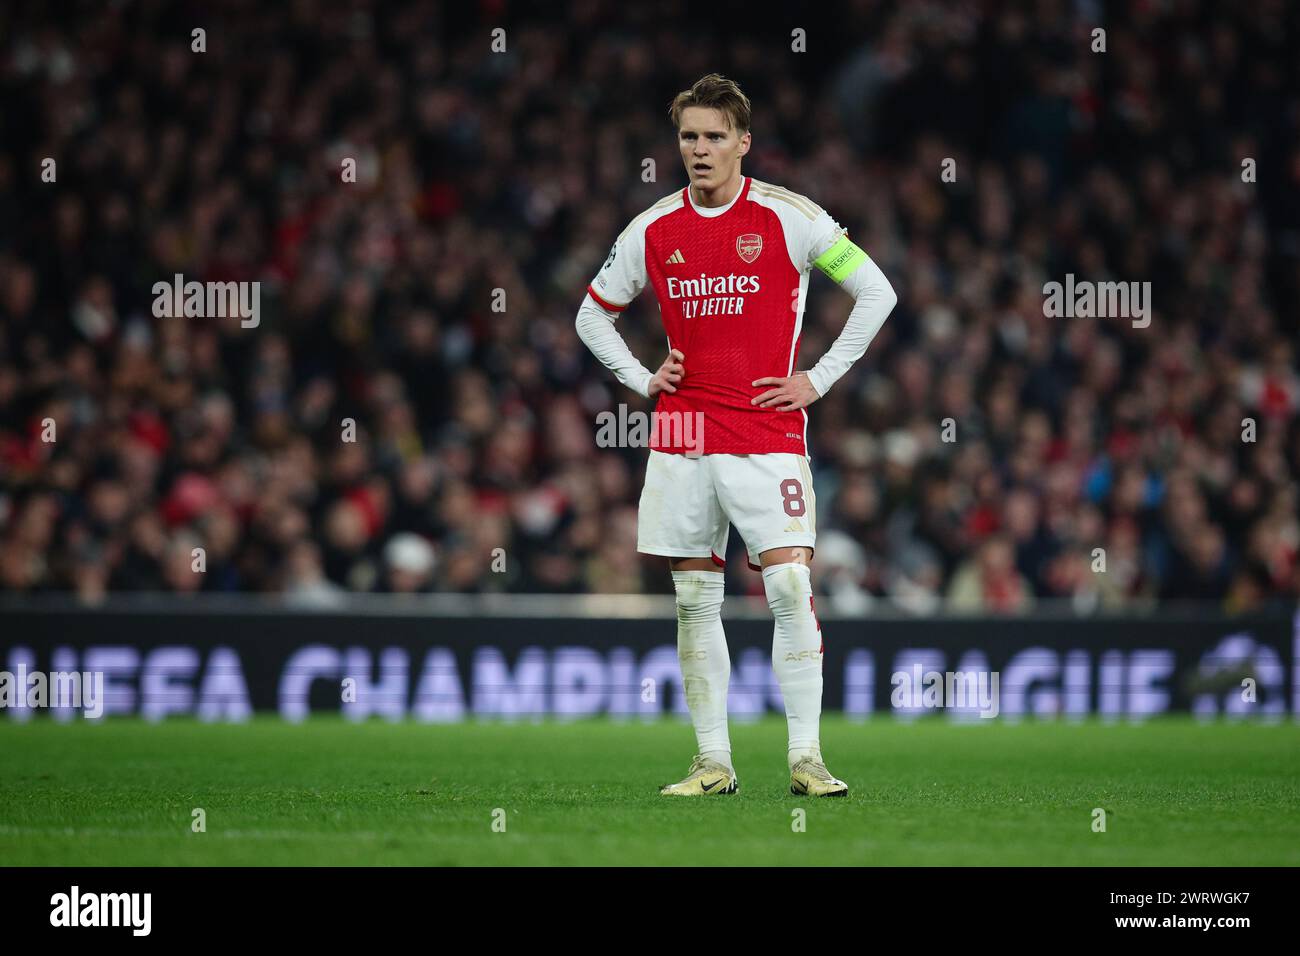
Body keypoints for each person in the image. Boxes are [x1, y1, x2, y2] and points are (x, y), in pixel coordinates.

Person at [575, 74, 897, 796]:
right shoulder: (653, 228)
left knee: (788, 582)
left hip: (765, 430)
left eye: (715, 136)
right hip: (682, 430)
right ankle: (713, 762)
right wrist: (639, 378)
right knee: (694, 602)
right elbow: (591, 315)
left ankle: (806, 758)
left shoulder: (792, 218)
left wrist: (817, 377)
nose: (700, 149)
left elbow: (878, 291)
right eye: (689, 136)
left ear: (743, 143)